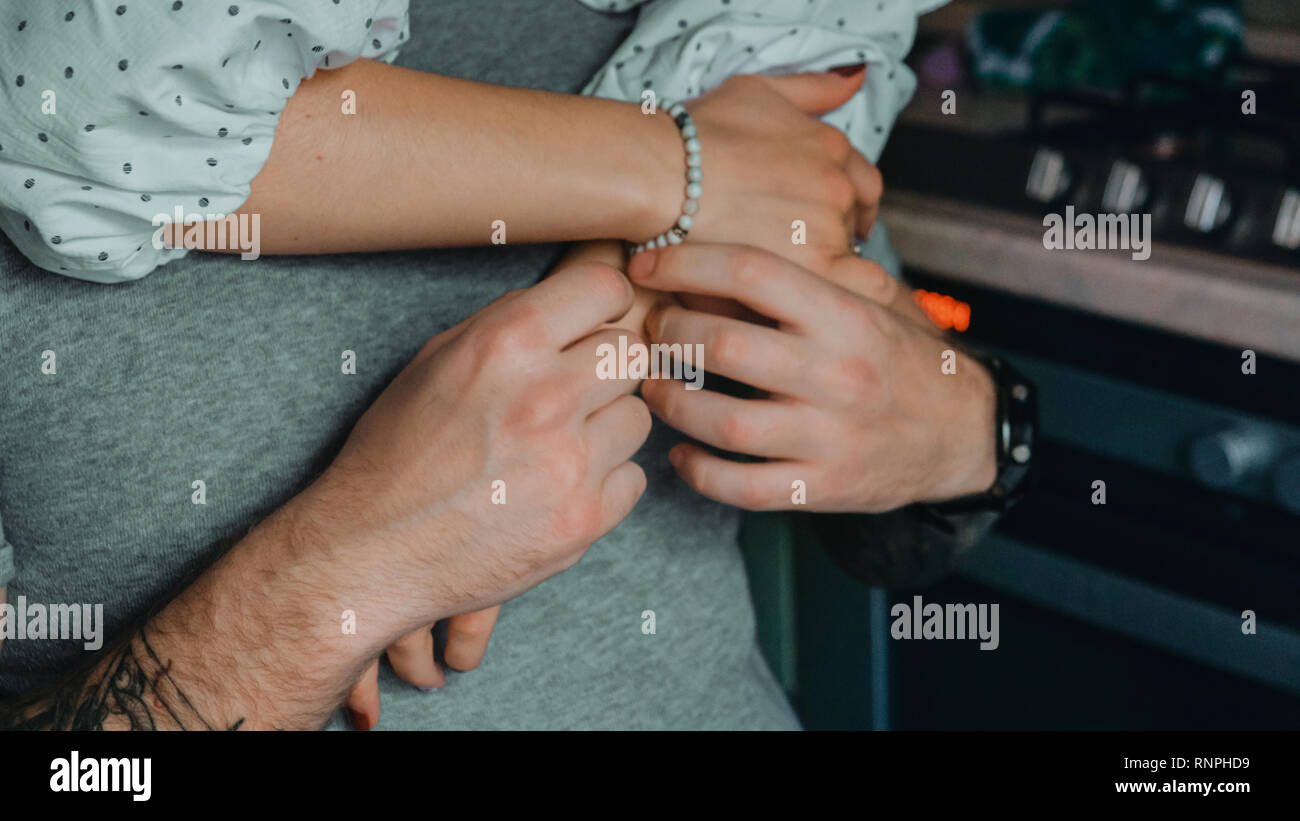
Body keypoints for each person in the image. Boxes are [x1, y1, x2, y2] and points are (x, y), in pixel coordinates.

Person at [0, 0, 1025, 730]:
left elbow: (891, 505)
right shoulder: (81, 72)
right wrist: (333, 579)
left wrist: (973, 431)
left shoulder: (740, 38)